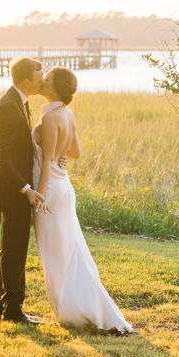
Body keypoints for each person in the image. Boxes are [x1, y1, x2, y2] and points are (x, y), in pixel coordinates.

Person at [32, 66, 133, 333]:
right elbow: (74, 152)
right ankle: (73, 305)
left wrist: (39, 195)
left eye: (47, 78)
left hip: (51, 189)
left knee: (55, 252)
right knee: (68, 248)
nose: (42, 81)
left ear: (54, 88)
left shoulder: (52, 117)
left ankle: (71, 309)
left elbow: (47, 162)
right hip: (64, 185)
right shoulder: (67, 113)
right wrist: (59, 154)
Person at [0, 56, 49, 323]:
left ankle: (6, 305)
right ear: (26, 82)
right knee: (14, 250)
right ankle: (12, 310)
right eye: (39, 80)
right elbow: (2, 156)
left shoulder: (18, 102)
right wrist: (25, 188)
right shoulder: (9, 108)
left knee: (11, 248)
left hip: (14, 189)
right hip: (12, 191)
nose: (43, 82)